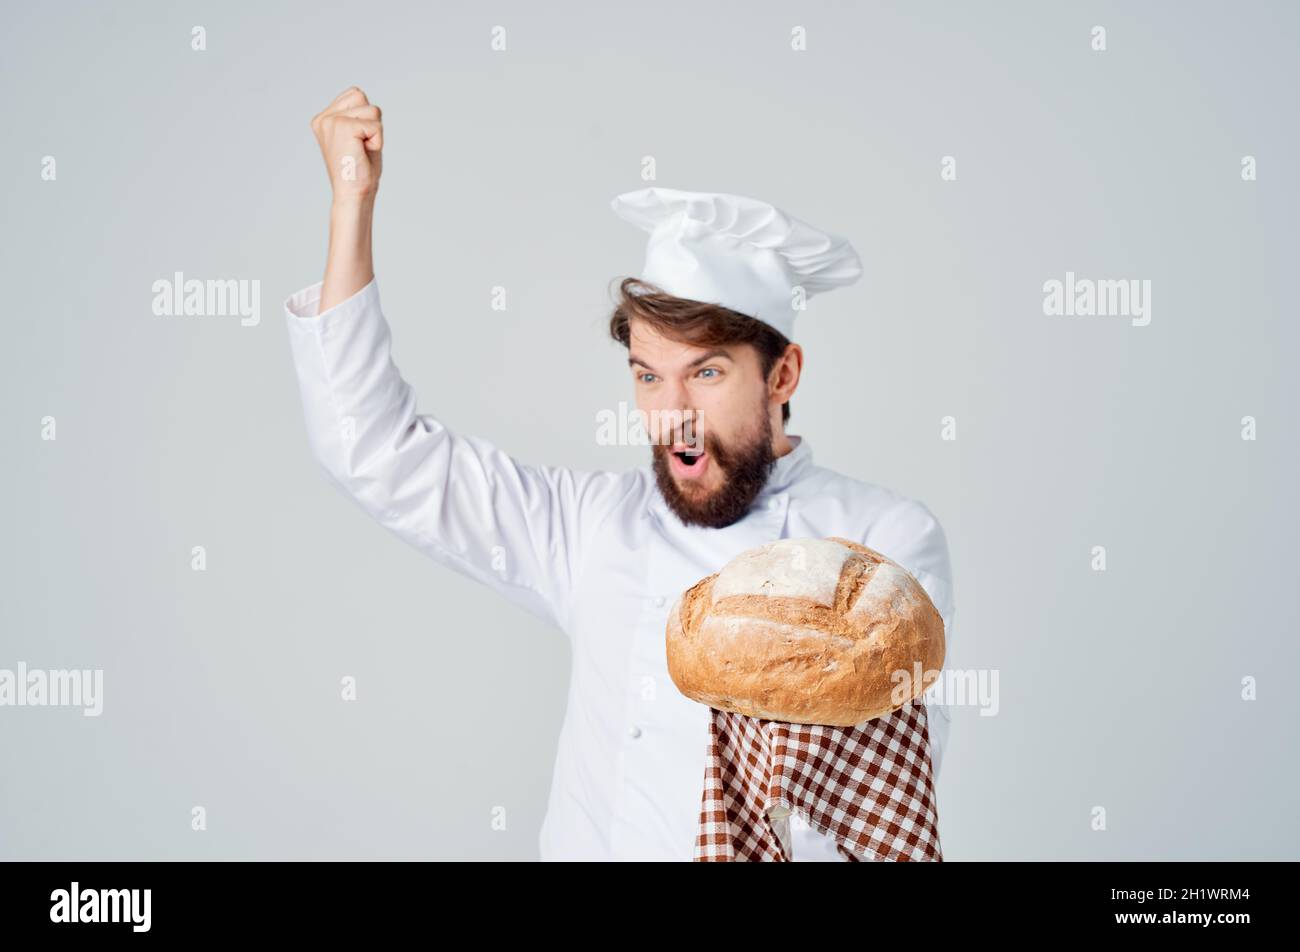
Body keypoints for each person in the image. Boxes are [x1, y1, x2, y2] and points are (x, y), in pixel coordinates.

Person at [283, 86, 957, 861]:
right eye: (646, 376)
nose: (671, 412)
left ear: (782, 376)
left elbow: (880, 807)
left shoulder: (883, 543)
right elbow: (371, 450)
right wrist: (350, 205)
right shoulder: (593, 525)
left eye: (705, 375)